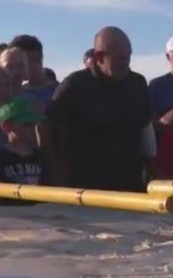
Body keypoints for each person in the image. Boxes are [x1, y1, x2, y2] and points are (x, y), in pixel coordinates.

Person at [46, 26, 154, 192]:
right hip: (85, 187)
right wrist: (57, 176)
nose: (125, 64)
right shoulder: (74, 86)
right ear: (98, 57)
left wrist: (151, 171)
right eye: (119, 59)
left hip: (130, 185)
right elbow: (48, 130)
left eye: (127, 58)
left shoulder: (136, 84)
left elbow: (145, 130)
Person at [0, 96, 48, 203]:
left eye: (34, 124)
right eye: (26, 124)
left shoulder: (41, 157)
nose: (32, 128)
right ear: (6, 126)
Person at [9, 34, 56, 109]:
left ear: (37, 58)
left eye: (20, 63)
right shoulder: (13, 94)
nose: (15, 70)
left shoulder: (59, 93)